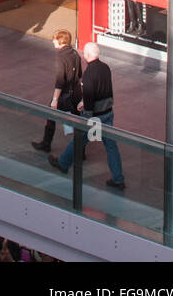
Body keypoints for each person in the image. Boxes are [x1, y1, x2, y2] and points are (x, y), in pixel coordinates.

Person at [49, 42, 125, 190]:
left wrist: (87, 115)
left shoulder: (89, 74)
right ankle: (118, 178)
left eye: (84, 53)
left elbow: (90, 96)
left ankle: (63, 163)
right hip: (108, 113)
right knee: (111, 146)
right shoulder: (105, 68)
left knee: (79, 138)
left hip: (95, 117)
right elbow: (104, 91)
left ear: (88, 55)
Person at [32, 28, 82, 154]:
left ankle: (46, 144)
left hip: (64, 94)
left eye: (55, 39)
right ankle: (80, 151)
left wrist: (55, 99)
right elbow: (79, 74)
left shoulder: (61, 56)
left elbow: (60, 80)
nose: (53, 41)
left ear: (60, 41)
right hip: (76, 93)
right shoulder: (75, 54)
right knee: (78, 122)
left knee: (51, 115)